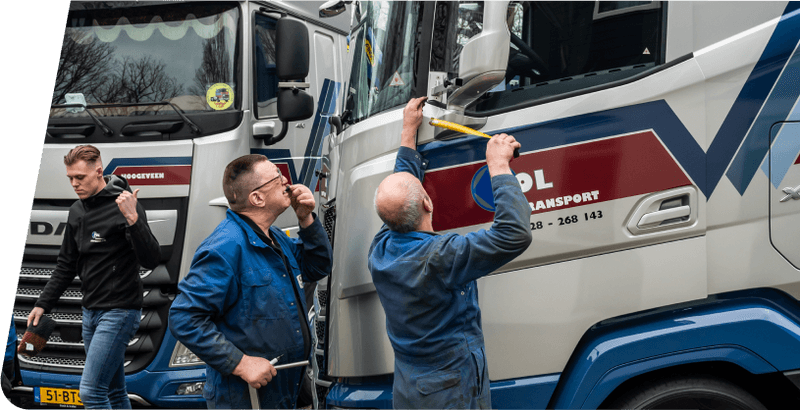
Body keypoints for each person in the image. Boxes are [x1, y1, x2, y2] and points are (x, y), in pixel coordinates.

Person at [368, 97, 533, 410]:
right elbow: (513, 234)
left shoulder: (379, 249)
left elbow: (400, 198)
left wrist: (408, 133)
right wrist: (498, 166)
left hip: (410, 386)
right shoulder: (440, 257)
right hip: (450, 390)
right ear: (428, 203)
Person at [169, 154, 332, 409]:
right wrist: (240, 363)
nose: (286, 181)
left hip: (284, 392)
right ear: (257, 198)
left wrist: (306, 219)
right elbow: (183, 317)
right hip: (245, 398)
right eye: (277, 177)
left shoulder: (273, 237)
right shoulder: (224, 248)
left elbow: (318, 267)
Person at [27, 145, 160, 409]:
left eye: (80, 178)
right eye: (70, 179)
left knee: (90, 392)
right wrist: (43, 304)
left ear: (99, 172)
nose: (74, 184)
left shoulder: (125, 204)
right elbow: (66, 264)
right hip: (90, 312)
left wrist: (134, 220)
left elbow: (151, 259)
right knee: (113, 391)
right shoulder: (77, 210)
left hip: (120, 311)